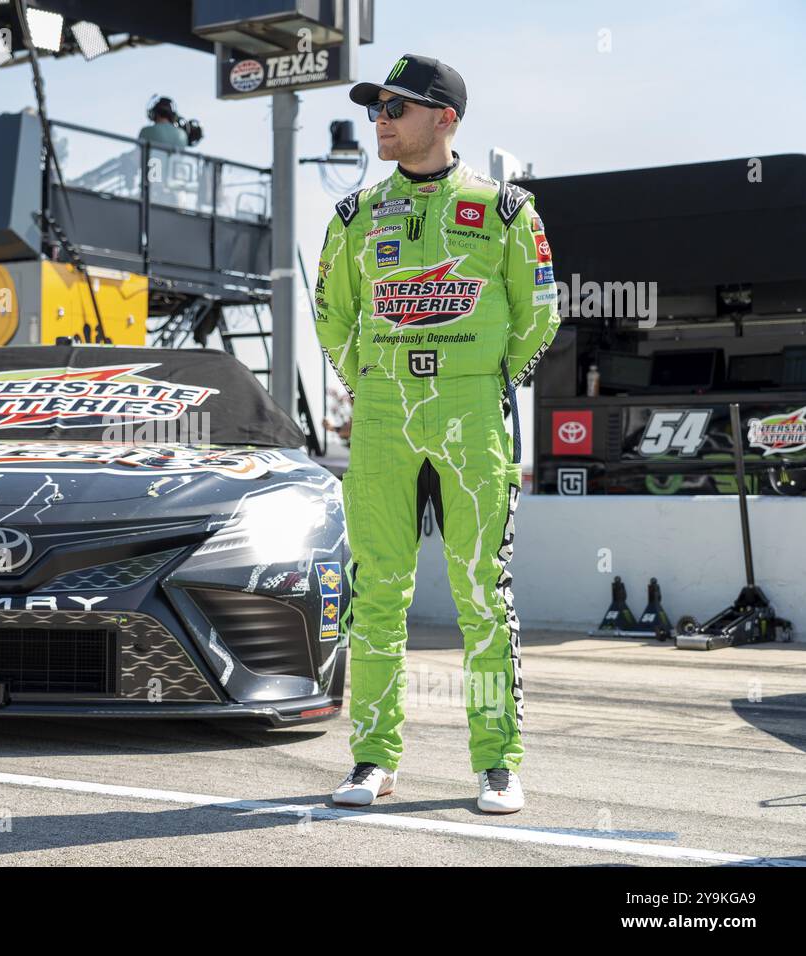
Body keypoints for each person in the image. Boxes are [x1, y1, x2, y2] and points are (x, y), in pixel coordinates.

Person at [314, 54, 560, 814]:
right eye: (376, 109)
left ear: (444, 117)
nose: (379, 121)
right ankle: (373, 760)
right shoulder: (356, 215)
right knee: (377, 595)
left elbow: (539, 314)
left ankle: (496, 763)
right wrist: (371, 387)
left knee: (483, 595)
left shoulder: (506, 209)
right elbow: (332, 316)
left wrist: (485, 383)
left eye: (396, 108)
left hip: (472, 415)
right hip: (385, 417)